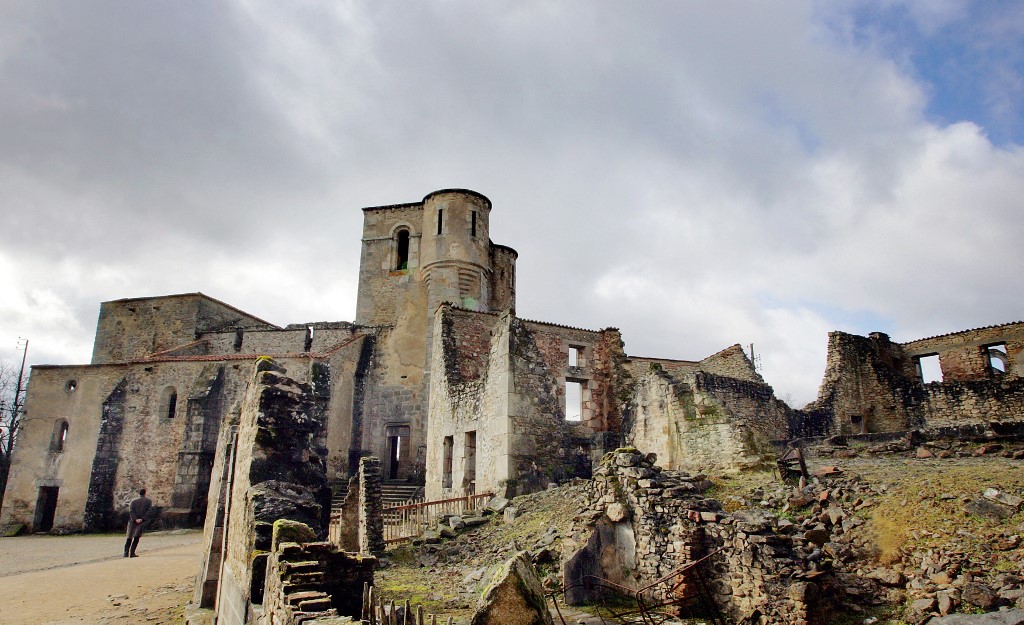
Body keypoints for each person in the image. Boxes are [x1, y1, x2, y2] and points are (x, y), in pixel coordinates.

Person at [124, 488, 152, 557]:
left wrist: (135, 519)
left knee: (129, 537)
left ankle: (126, 553)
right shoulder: (148, 501)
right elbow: (149, 511)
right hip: (141, 522)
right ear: (145, 493)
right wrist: (142, 519)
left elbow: (131, 511)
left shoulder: (133, 501)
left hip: (132, 521)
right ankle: (132, 553)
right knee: (136, 537)